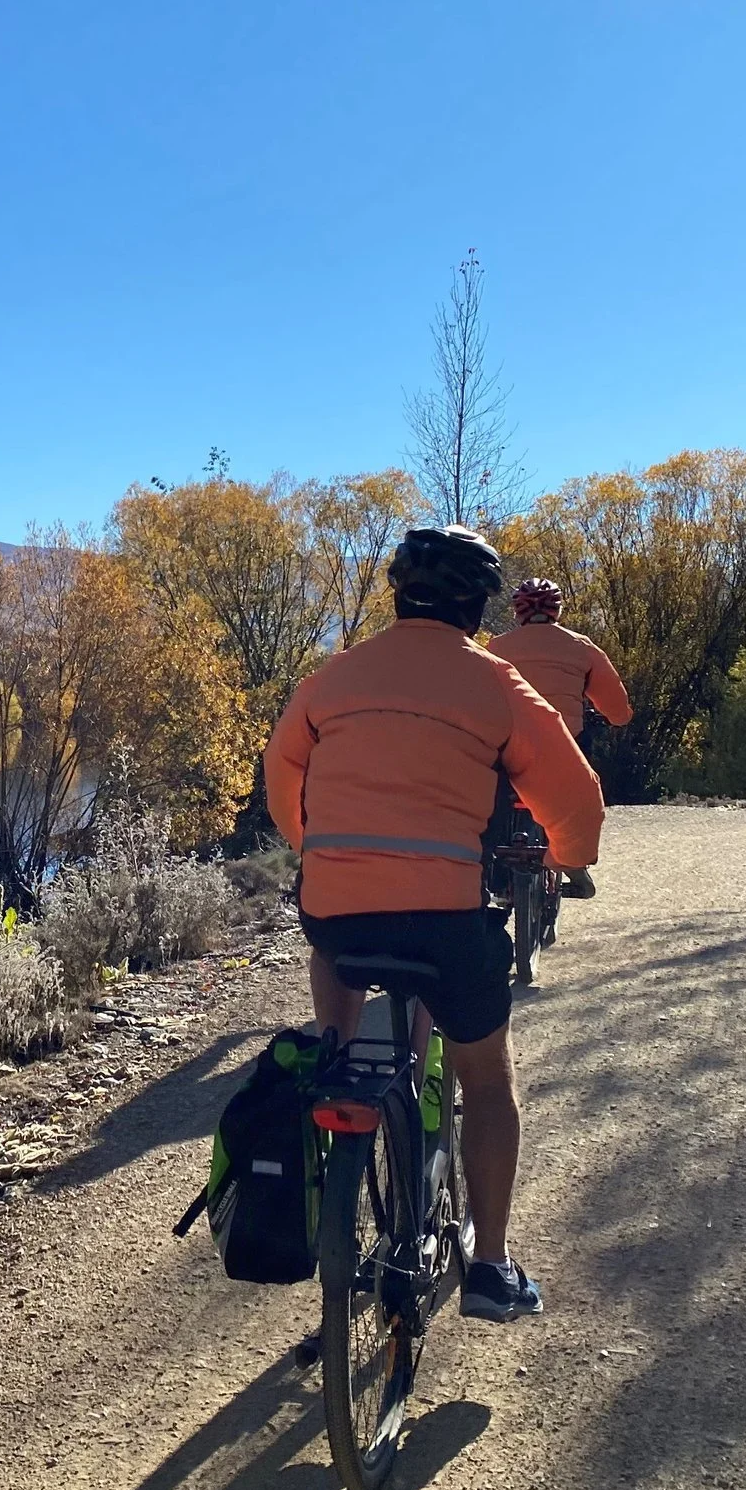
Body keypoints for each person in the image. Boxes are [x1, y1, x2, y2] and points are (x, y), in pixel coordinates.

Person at [264, 527, 605, 1322]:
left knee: (332, 935)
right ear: (477, 605)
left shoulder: (334, 676)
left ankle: (340, 1054)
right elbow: (578, 800)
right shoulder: (496, 682)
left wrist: (312, 846)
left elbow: (284, 769)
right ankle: (490, 1265)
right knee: (488, 1080)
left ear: (398, 597)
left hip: (338, 909)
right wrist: (564, 853)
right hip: (448, 920)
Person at [487, 577, 631, 898]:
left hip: (509, 744)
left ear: (517, 612)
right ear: (558, 609)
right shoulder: (581, 646)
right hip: (565, 742)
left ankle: (492, 871)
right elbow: (618, 710)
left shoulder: (496, 648)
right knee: (574, 801)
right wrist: (613, 717)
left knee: (489, 798)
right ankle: (575, 867)